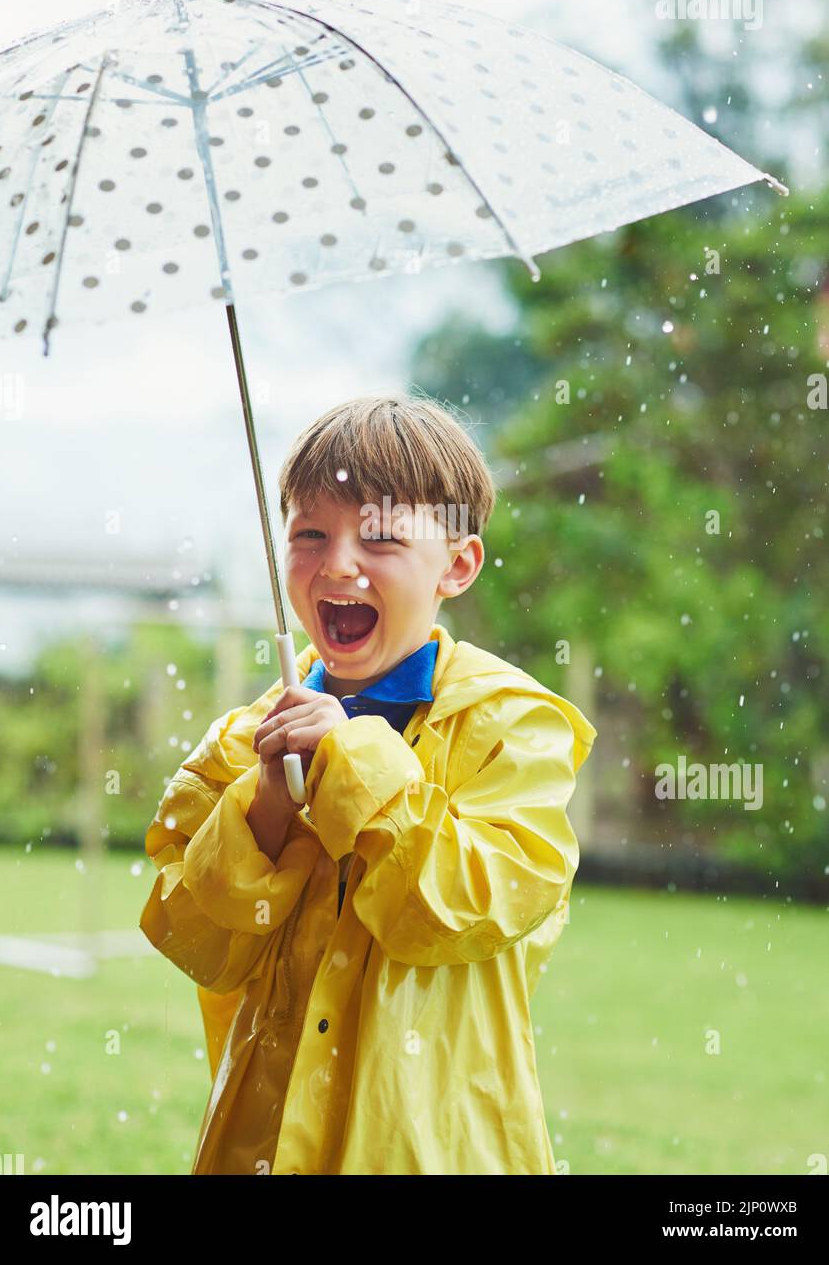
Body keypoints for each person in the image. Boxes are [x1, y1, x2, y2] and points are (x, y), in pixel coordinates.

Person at [139, 392, 596, 1175]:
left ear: (456, 564)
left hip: (432, 1141)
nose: (337, 562)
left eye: (380, 537)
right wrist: (264, 811)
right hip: (266, 1139)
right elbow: (197, 942)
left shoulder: (512, 727)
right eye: (309, 534)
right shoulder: (246, 740)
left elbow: (466, 909)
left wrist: (351, 762)